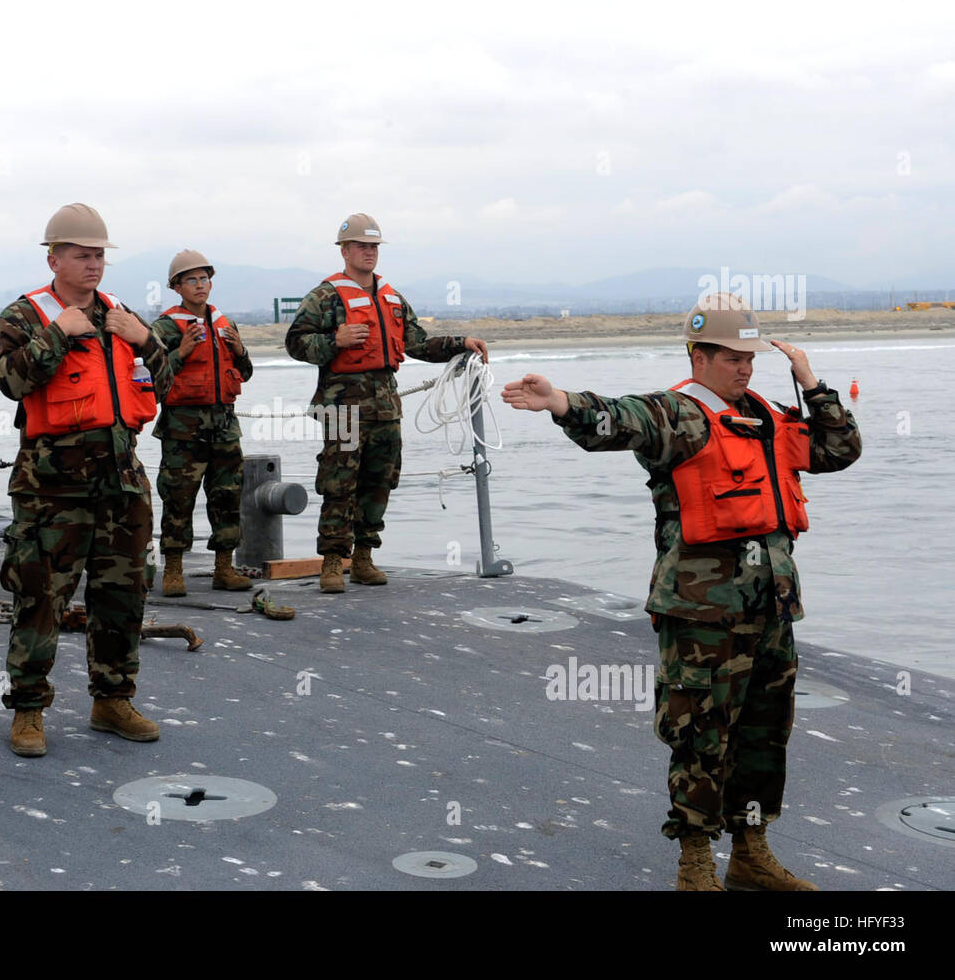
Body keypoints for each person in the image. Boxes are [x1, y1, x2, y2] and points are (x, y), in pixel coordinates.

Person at [500, 295, 861, 891]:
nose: (742, 369)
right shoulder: (678, 416)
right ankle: (696, 861)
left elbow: (839, 450)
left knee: (764, 733)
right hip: (701, 613)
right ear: (697, 355)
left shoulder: (767, 417)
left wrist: (814, 386)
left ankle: (750, 850)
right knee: (699, 732)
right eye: (728, 358)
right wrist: (560, 403)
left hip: (770, 610)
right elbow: (617, 419)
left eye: (748, 358)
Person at [0, 203, 172, 757]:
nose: (93, 266)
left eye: (98, 256)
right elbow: (9, 380)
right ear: (54, 257)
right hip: (53, 487)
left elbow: (163, 383)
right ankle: (28, 709)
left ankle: (112, 698)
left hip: (122, 481)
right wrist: (56, 335)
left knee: (123, 594)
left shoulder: (121, 313)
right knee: (41, 597)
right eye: (81, 255)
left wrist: (144, 340)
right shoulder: (26, 314)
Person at [286, 213, 488, 593]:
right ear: (345, 251)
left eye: (374, 247)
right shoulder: (325, 296)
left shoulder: (391, 296)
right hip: (343, 407)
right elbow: (296, 343)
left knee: (380, 481)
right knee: (339, 481)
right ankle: (332, 560)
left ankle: (363, 557)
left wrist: (460, 344)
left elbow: (417, 342)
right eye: (362, 246)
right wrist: (335, 340)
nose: (369, 253)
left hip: (385, 407)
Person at [150, 249, 254, 596]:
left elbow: (246, 373)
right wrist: (180, 352)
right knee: (178, 497)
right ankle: (174, 570)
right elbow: (150, 378)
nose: (199, 285)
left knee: (227, 496)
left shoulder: (225, 322)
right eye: (191, 280)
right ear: (176, 286)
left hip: (224, 426)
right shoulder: (165, 326)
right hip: (183, 427)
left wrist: (240, 351)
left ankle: (224, 567)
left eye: (204, 278)